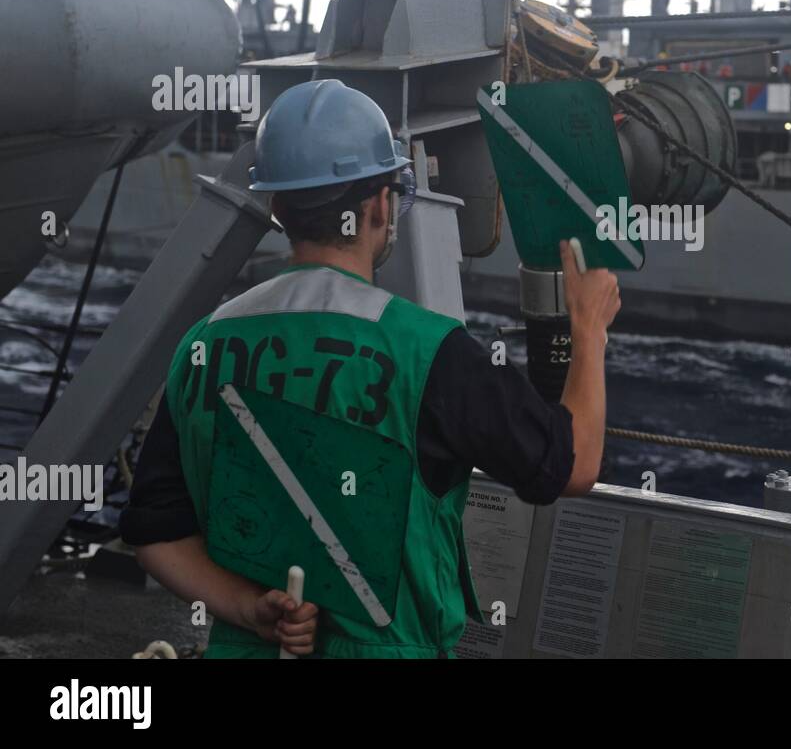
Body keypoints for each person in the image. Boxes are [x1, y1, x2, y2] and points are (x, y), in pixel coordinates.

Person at [121, 79, 620, 658]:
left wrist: (248, 610)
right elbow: (572, 465)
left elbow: (153, 532)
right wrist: (587, 329)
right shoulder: (431, 352)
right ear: (384, 204)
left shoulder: (203, 346)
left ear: (277, 207)